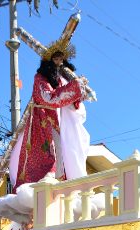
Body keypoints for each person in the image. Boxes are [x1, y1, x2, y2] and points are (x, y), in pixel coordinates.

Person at [9, 49, 90, 191]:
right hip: (42, 118)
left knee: (61, 147)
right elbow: (49, 97)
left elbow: (68, 99)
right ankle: (46, 178)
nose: (59, 62)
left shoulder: (61, 78)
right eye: (56, 59)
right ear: (49, 60)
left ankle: (59, 178)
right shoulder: (40, 78)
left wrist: (79, 91)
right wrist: (75, 87)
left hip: (57, 118)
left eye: (61, 59)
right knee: (48, 149)